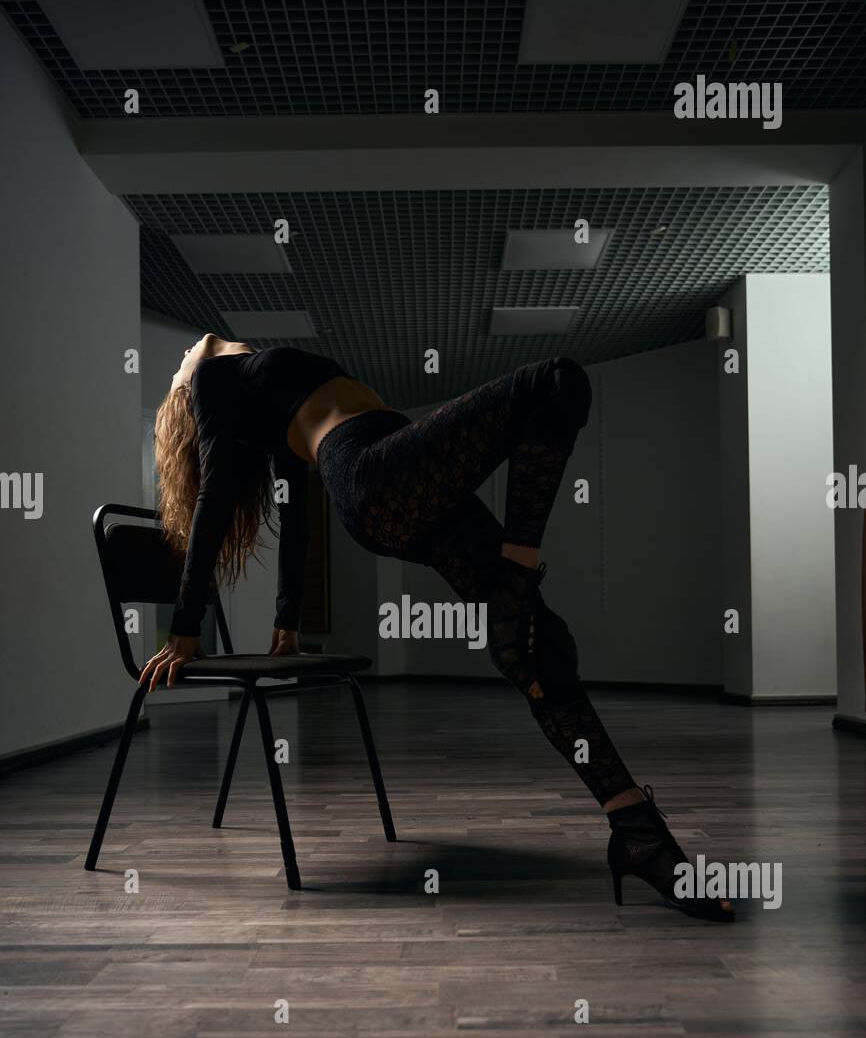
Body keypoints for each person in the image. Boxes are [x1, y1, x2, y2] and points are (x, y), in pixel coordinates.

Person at [143, 333, 734, 922]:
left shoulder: (253, 388)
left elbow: (296, 510)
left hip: (397, 479)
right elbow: (214, 499)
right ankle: (514, 582)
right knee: (555, 384)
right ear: (181, 399)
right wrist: (185, 629)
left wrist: (286, 623)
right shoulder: (209, 379)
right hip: (376, 478)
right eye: (177, 365)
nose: (186, 348)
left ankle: (638, 832)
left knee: (538, 645)